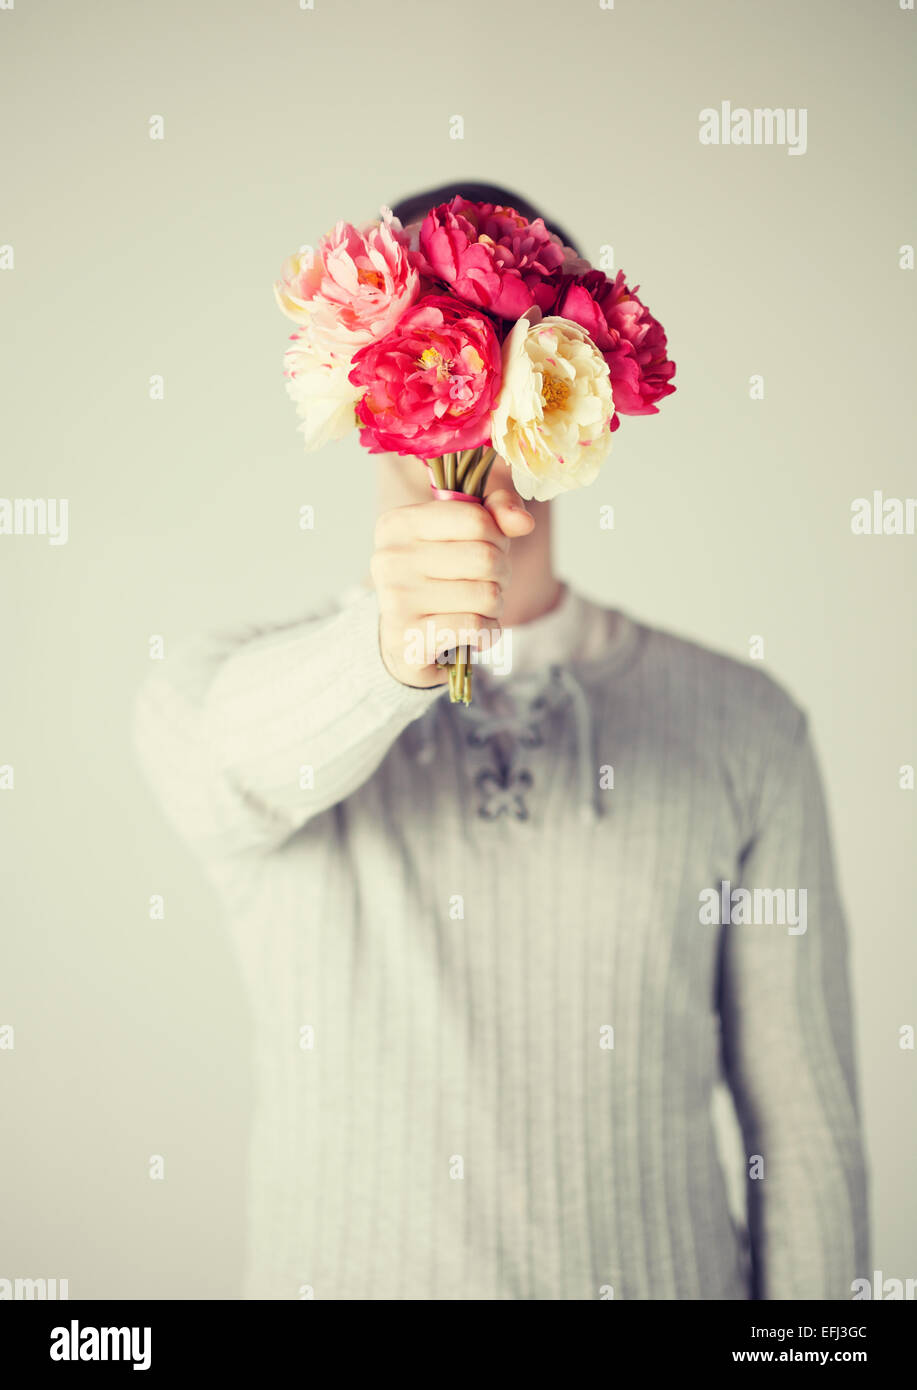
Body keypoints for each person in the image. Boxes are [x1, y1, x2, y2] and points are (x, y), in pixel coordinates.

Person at [133, 180, 869, 1300]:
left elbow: (804, 1141)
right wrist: (387, 655)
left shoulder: (742, 726)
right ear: (356, 376)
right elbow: (227, 769)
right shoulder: (223, 692)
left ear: (586, 390)